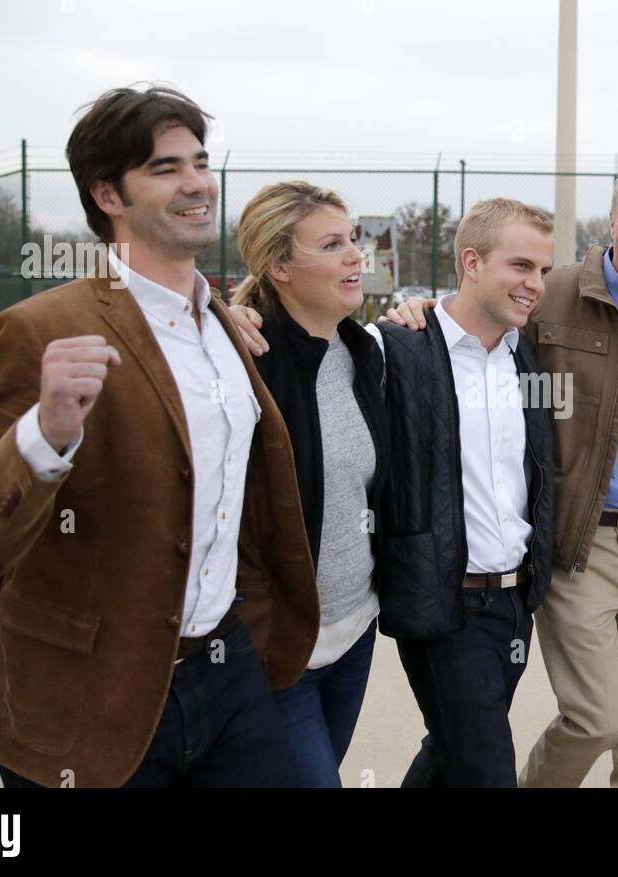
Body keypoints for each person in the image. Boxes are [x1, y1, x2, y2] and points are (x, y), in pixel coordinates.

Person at [0, 85, 317, 788]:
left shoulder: (225, 325)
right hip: (89, 695)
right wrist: (43, 436)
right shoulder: (37, 331)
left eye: (200, 161)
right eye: (165, 168)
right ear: (108, 195)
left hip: (227, 670)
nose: (197, 182)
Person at [382, 162, 618, 788]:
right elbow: (472, 318)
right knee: (597, 717)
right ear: (611, 220)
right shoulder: (552, 294)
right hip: (575, 539)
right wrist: (417, 310)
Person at [236, 198, 557, 786]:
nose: (534, 284)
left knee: (451, 748)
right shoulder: (391, 347)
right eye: (521, 266)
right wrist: (230, 316)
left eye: (543, 271)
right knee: (486, 767)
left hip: (513, 601)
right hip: (441, 600)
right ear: (472, 262)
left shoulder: (525, 356)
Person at [229, 182, 389, 787]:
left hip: (353, 635)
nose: (356, 256)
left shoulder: (361, 353)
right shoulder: (244, 359)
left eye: (354, 240)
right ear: (278, 265)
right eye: (332, 244)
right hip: (277, 648)